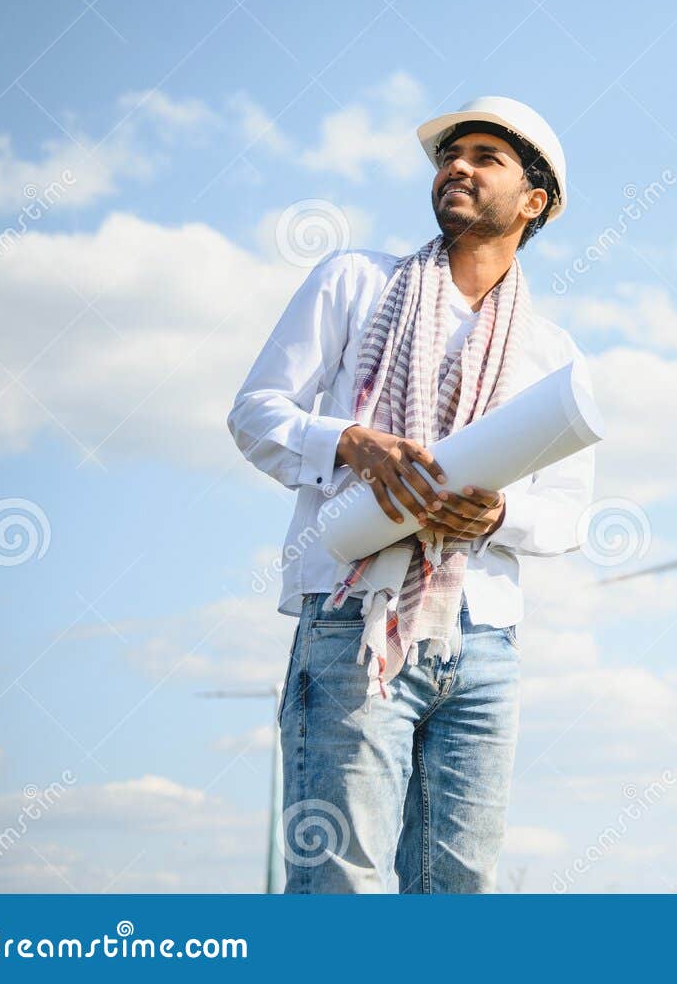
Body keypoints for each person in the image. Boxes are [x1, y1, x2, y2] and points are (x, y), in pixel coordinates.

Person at [226, 96, 595, 892]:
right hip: (352, 623)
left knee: (459, 892)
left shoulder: (551, 354)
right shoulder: (355, 282)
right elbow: (256, 414)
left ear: (534, 201)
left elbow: (568, 513)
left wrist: (498, 513)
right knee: (340, 883)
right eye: (448, 154)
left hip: (484, 643)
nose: (456, 166)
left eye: (485, 156)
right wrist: (347, 442)